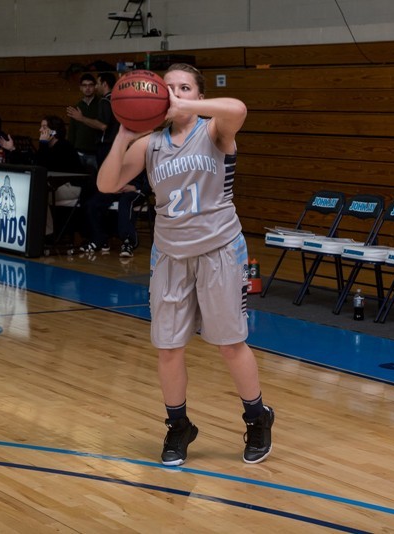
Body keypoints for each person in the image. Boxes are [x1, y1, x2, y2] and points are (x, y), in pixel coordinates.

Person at [97, 63, 274, 466]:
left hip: (220, 252)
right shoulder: (151, 144)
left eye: (184, 88)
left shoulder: (214, 131)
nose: (174, 93)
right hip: (170, 256)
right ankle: (179, 426)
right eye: (168, 87)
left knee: (230, 343)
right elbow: (107, 184)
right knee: (168, 349)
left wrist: (181, 104)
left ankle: (257, 416)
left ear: (197, 95)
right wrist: (124, 134)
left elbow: (238, 108)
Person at [79, 170, 149, 257]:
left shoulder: (143, 156)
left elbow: (151, 178)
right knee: (93, 203)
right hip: (117, 188)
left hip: (137, 190)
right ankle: (98, 238)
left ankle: (128, 242)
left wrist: (135, 187)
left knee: (125, 201)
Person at [66, 73, 101, 173]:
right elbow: (72, 132)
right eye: (84, 85)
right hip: (79, 152)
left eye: (90, 85)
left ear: (95, 87)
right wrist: (71, 151)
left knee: (96, 183)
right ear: (80, 88)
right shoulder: (77, 106)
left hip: (95, 152)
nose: (88, 88)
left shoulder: (101, 104)